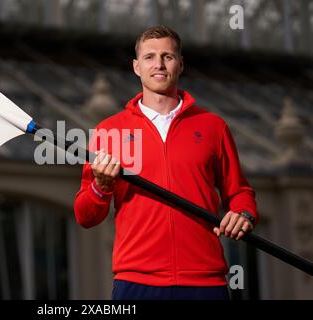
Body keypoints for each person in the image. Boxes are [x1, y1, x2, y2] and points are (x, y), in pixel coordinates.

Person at [73, 25, 259, 300]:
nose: (158, 64)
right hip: (136, 282)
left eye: (167, 57)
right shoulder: (109, 132)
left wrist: (244, 215)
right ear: (136, 67)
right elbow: (84, 216)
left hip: (205, 281)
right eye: (149, 57)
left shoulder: (212, 127)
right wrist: (102, 186)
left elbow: (240, 192)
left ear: (180, 64)